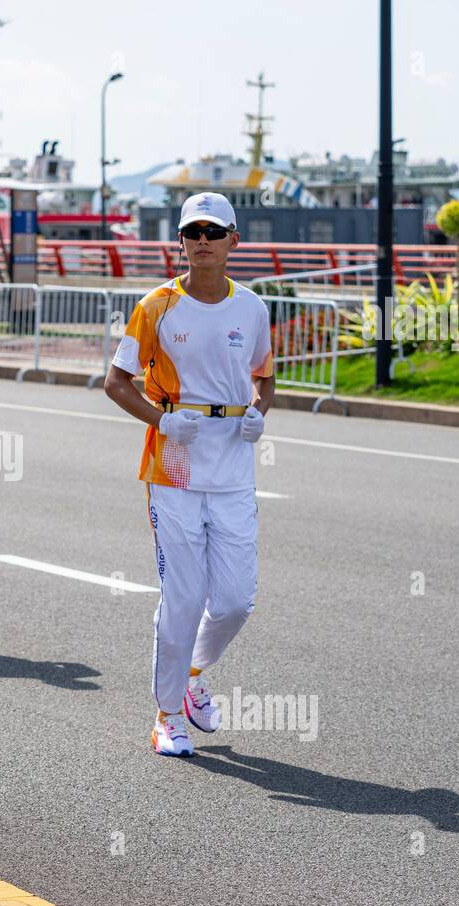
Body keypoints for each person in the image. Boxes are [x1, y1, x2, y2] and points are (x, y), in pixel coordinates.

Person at [103, 192, 275, 758]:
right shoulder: (155, 307)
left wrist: (257, 413)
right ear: (180, 241)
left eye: (213, 231)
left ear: (233, 240)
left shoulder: (251, 308)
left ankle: (193, 673)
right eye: (191, 232)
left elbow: (263, 377)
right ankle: (167, 714)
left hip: (232, 466)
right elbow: (117, 380)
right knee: (184, 594)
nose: (202, 240)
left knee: (234, 602)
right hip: (173, 462)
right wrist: (162, 421)